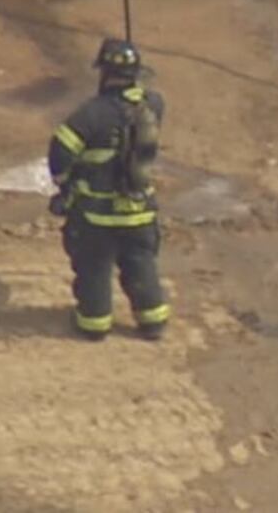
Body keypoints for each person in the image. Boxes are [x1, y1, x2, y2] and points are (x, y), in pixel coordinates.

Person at [48, 38, 170, 341]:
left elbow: (59, 155)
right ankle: (152, 321)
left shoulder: (91, 114)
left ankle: (94, 323)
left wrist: (66, 186)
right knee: (141, 264)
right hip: (140, 212)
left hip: (96, 218)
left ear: (103, 72)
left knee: (95, 269)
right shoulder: (153, 105)